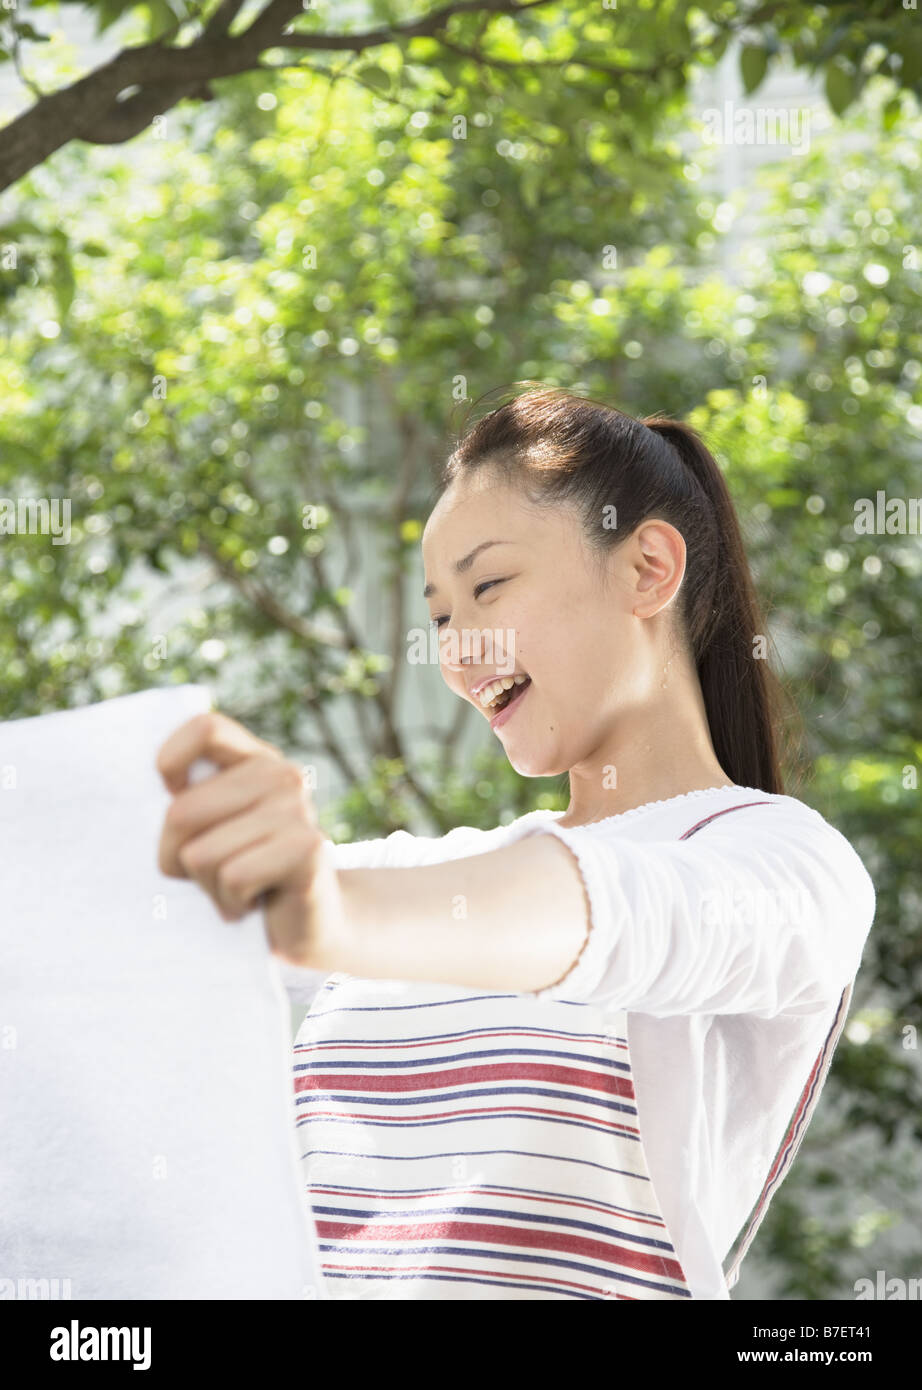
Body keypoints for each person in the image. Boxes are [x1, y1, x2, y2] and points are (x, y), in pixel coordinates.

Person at [156, 384, 876, 1301]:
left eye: (488, 585)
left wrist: (328, 912)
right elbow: (161, 941)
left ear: (649, 567)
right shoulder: (422, 870)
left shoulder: (786, 864)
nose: (456, 654)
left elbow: (617, 914)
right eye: (443, 616)